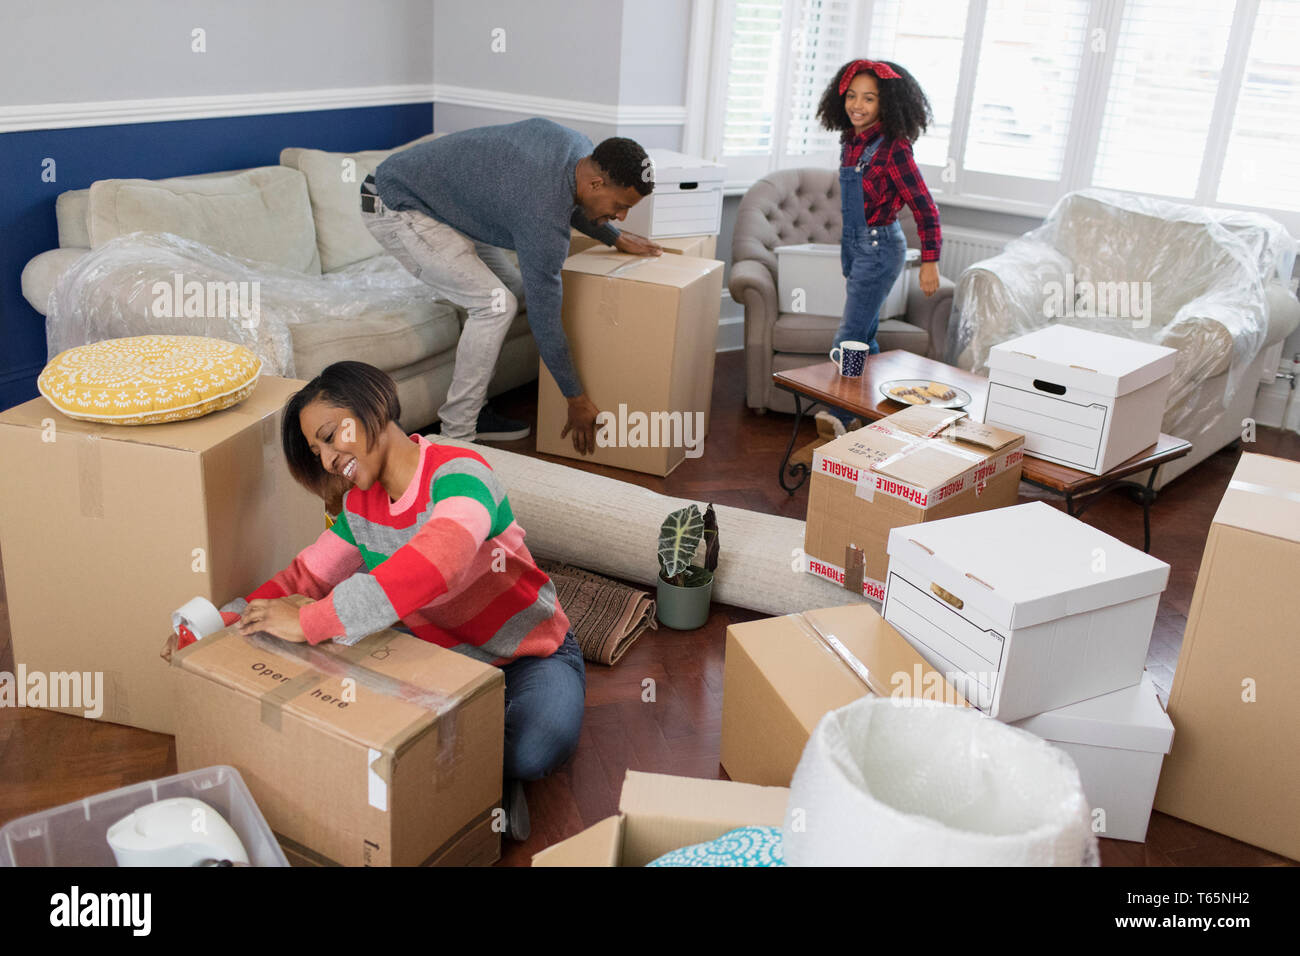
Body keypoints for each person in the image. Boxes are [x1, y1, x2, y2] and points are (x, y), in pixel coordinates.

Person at [221, 361, 584, 841]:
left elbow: (438, 564)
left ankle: (482, 777)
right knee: (353, 718)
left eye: (331, 435)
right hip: (438, 661)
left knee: (535, 748)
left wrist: (312, 620)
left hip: (528, 655)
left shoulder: (459, 473)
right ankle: (473, 777)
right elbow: (306, 575)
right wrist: (221, 621)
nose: (328, 459)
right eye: (317, 452)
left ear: (372, 406)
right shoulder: (359, 508)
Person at [360, 118, 662, 450]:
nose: (622, 216)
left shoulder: (577, 149)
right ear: (594, 183)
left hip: (449, 205)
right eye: (620, 207)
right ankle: (455, 438)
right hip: (395, 202)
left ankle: (474, 410)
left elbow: (565, 200)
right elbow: (545, 318)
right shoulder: (541, 216)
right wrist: (574, 396)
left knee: (514, 294)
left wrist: (613, 237)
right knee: (495, 305)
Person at [814, 59, 943, 435]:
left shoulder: (895, 148)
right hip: (853, 246)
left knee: (849, 338)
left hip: (880, 247)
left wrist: (930, 261)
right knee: (865, 336)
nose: (858, 105)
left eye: (869, 99)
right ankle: (865, 414)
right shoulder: (850, 141)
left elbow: (925, 208)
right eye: (852, 96)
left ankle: (836, 414)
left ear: (886, 103)